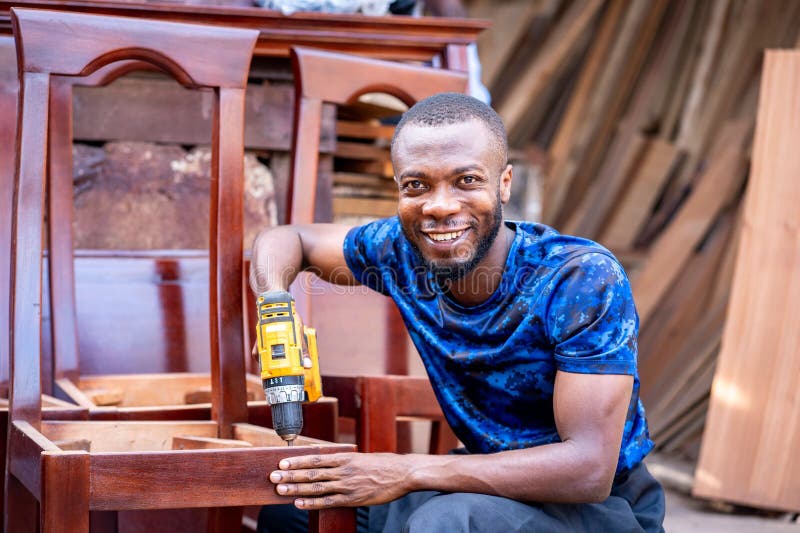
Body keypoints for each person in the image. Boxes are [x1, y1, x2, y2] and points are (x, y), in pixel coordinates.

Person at [250, 92, 665, 532]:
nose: (440, 206)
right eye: (417, 185)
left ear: (504, 184)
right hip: (485, 484)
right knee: (294, 513)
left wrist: (406, 471)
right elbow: (286, 239)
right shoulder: (400, 251)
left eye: (466, 180)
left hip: (602, 509)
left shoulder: (579, 279)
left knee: (443, 523)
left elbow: (587, 469)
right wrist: (275, 307)